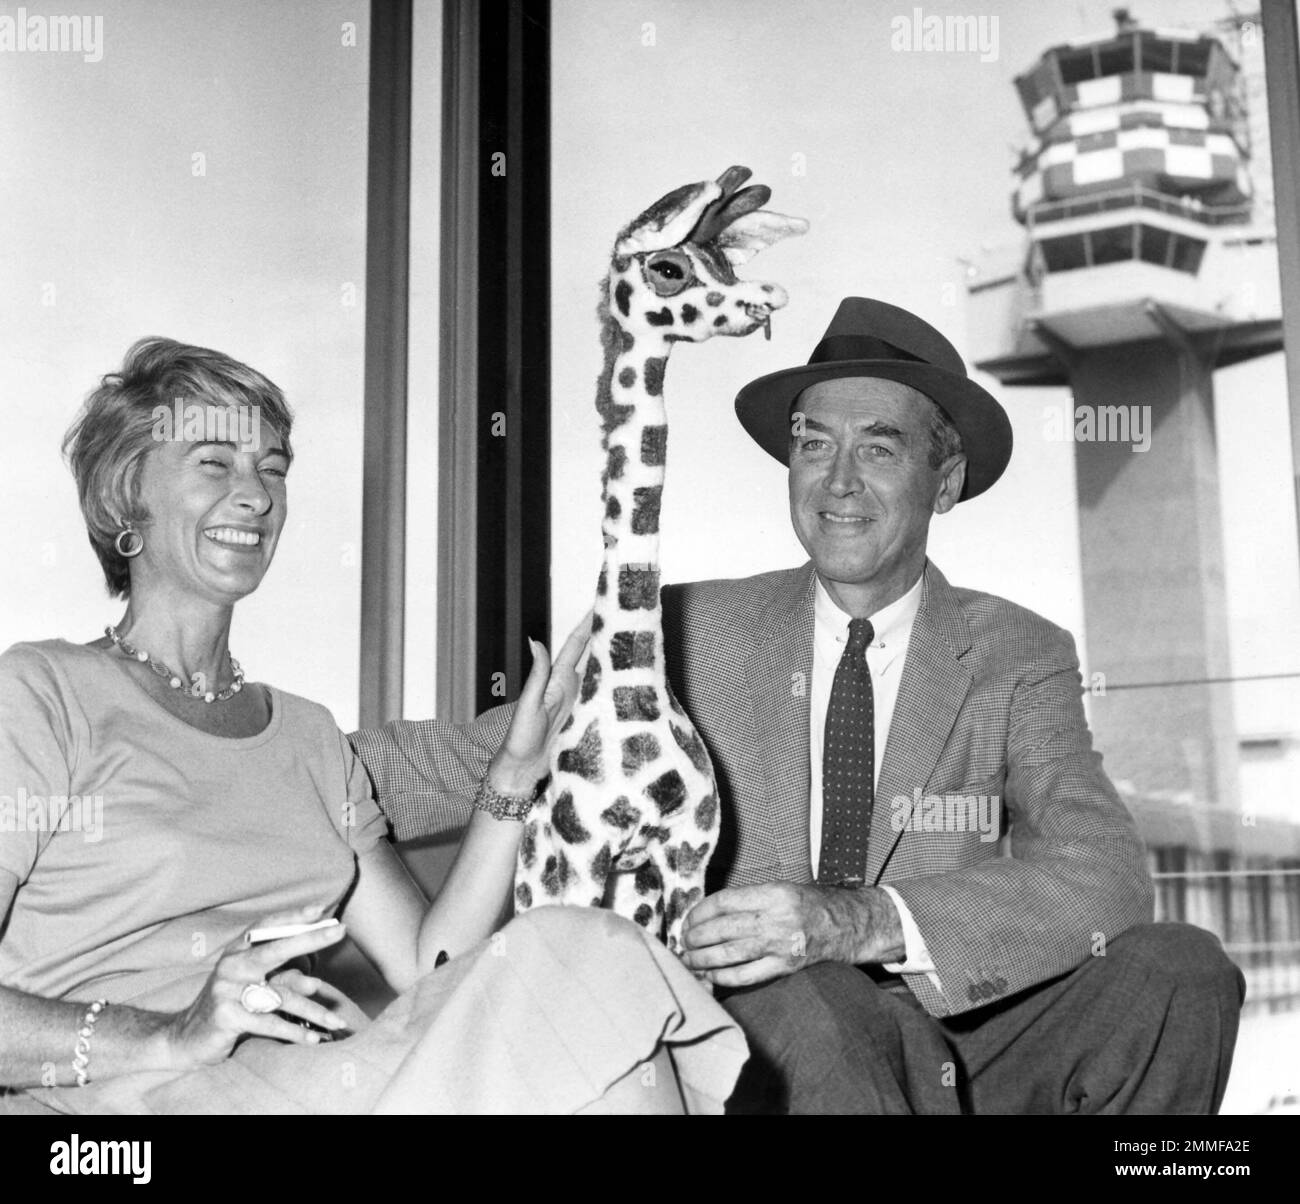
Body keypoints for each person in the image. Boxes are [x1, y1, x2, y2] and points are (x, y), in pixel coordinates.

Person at [349, 297, 1246, 1115]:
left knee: (1182, 973)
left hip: (962, 1042)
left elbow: (1104, 874)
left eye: (879, 447)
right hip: (759, 1038)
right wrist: (230, 744)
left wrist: (863, 921)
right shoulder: (677, 634)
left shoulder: (1020, 653)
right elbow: (422, 771)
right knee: (824, 1001)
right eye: (814, 444)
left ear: (944, 480)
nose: (838, 480)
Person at [0, 337, 746, 1115]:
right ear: (126, 495)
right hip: (104, 1122)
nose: (256, 494)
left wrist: (516, 774)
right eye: (214, 463)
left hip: (301, 1082)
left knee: (583, 962)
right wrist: (172, 1034)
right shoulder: (43, 695)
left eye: (273, 469)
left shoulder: (307, 737)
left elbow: (431, 967)